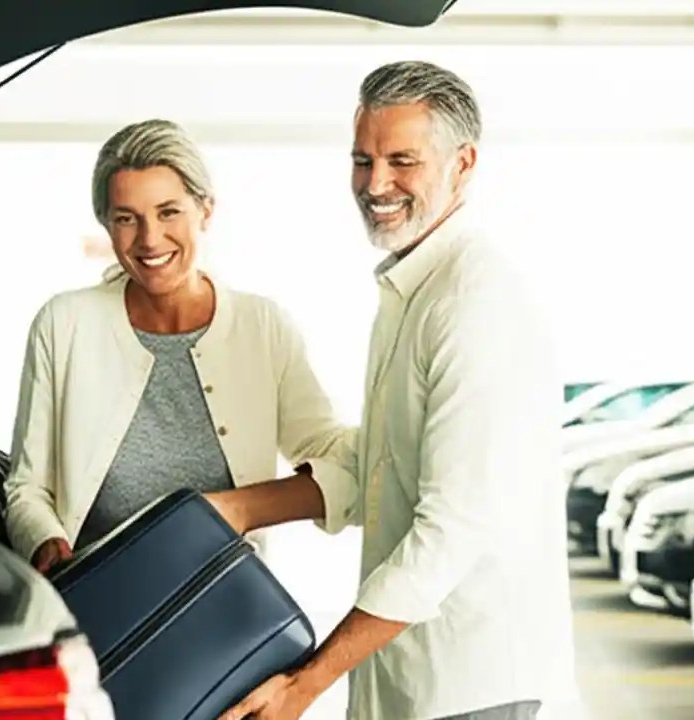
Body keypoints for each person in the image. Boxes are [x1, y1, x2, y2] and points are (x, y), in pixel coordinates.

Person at [207, 61, 579, 720]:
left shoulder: (473, 302)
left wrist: (304, 683)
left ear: (463, 164)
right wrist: (233, 511)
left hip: (474, 688)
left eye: (401, 160)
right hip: (414, 687)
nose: (376, 183)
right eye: (362, 159)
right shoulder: (410, 290)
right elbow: (382, 462)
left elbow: (449, 531)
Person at [3, 118, 354, 571]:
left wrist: (236, 508)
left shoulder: (262, 327)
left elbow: (340, 470)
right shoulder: (64, 324)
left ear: (205, 210)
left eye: (169, 212)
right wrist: (47, 543)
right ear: (107, 225)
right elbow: (26, 488)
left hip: (224, 607)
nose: (149, 239)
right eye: (127, 219)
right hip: (94, 607)